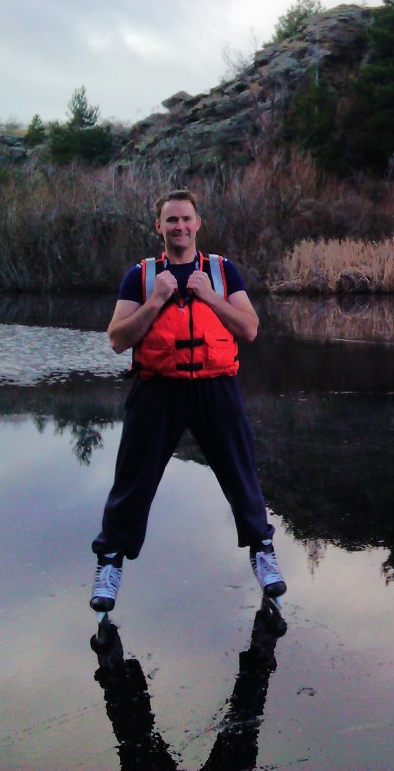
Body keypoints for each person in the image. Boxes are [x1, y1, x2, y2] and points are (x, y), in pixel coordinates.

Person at [90, 188, 285, 613]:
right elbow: (117, 339)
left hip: (216, 387)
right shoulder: (140, 276)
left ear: (198, 224)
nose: (179, 226)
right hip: (157, 390)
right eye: (170, 220)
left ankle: (262, 551)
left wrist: (209, 296)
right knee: (133, 478)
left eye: (186, 219)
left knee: (241, 473)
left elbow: (249, 329)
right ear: (158, 226)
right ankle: (110, 562)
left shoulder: (221, 271)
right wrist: (157, 299)